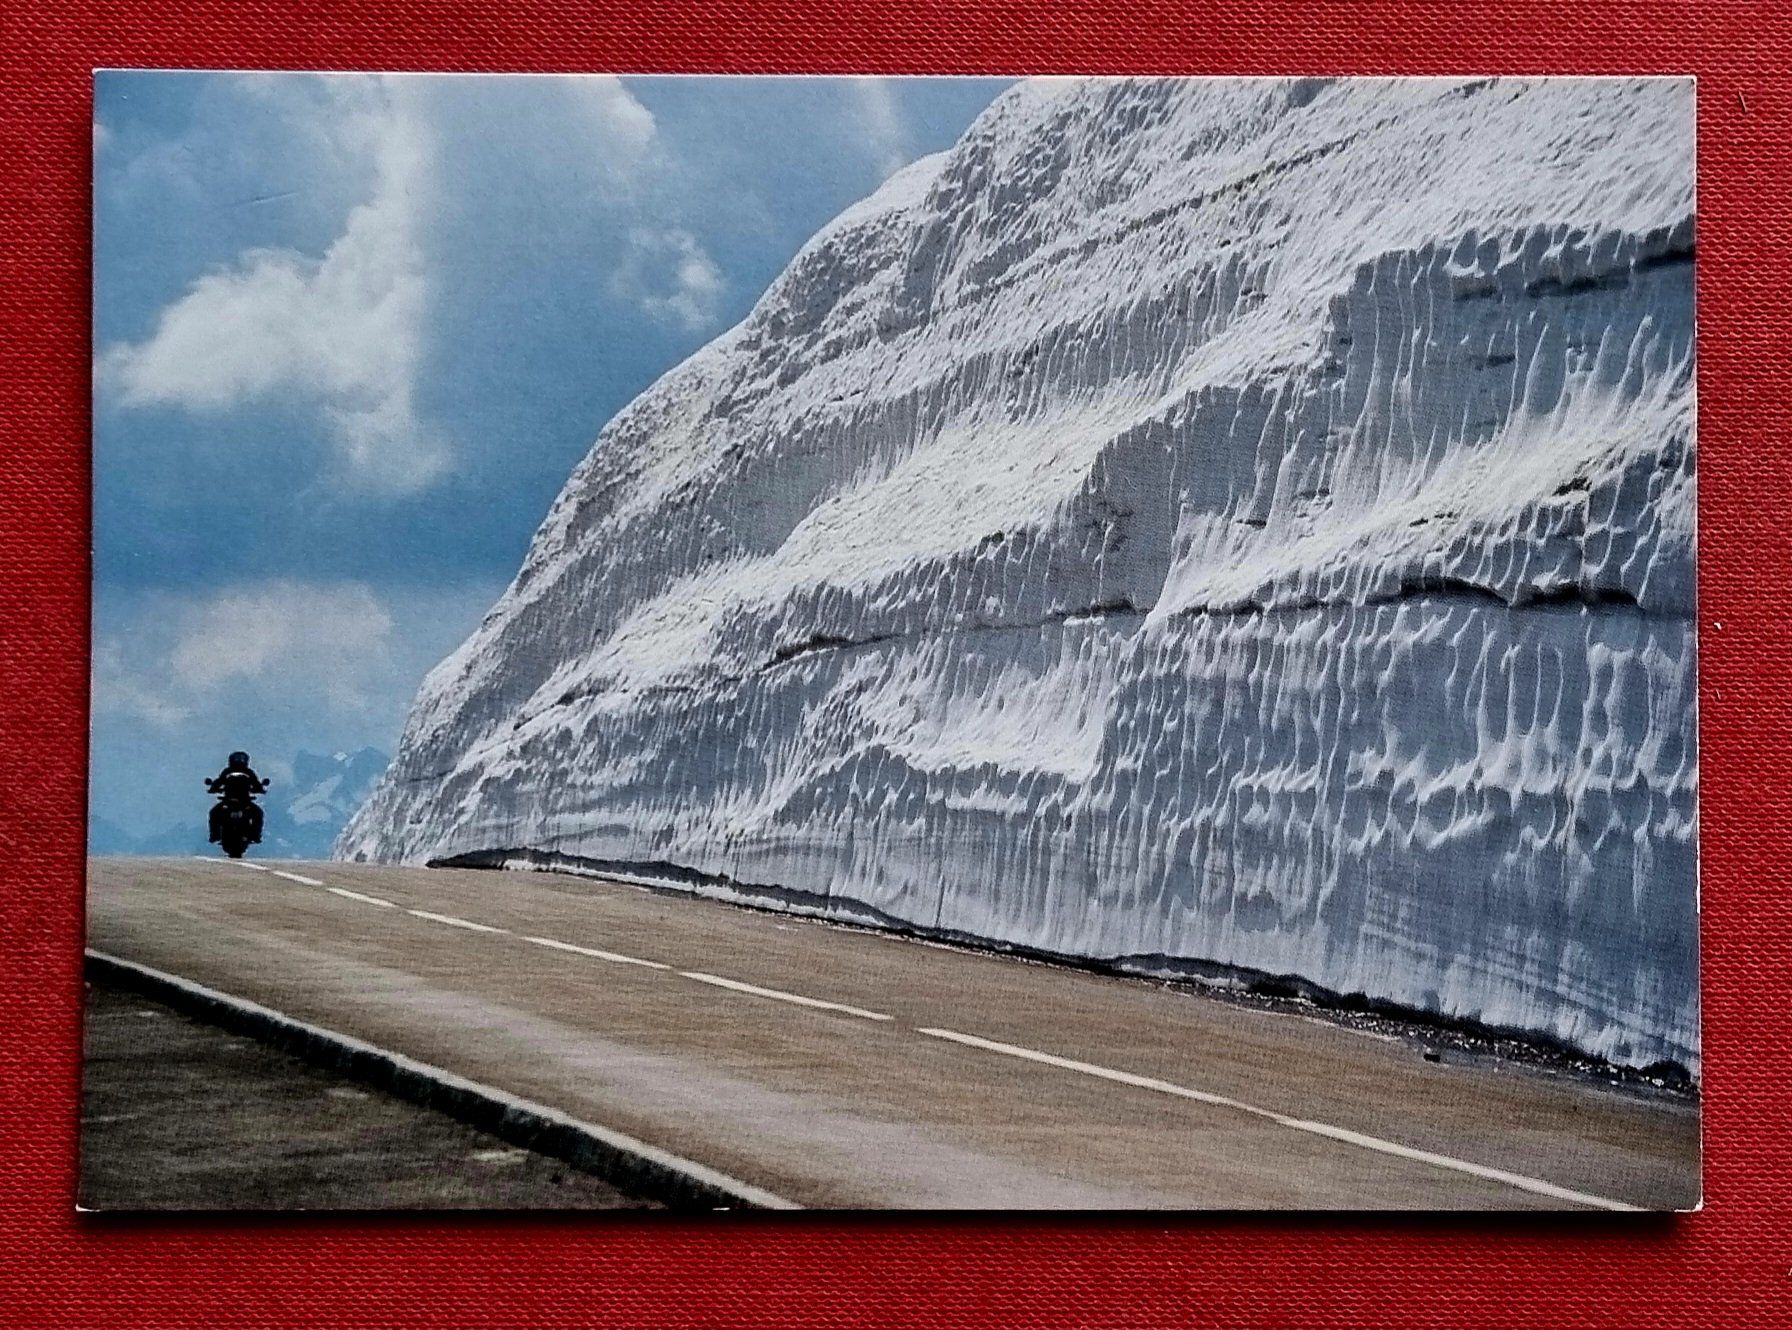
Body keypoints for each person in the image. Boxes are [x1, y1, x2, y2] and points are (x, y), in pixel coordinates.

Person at [206, 750, 268, 844]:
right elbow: (257, 785)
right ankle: (255, 835)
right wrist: (261, 789)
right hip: (241, 801)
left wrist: (213, 788)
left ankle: (215, 835)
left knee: (214, 813)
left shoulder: (228, 771)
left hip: (235, 801)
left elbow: (217, 783)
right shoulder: (248, 772)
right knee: (258, 813)